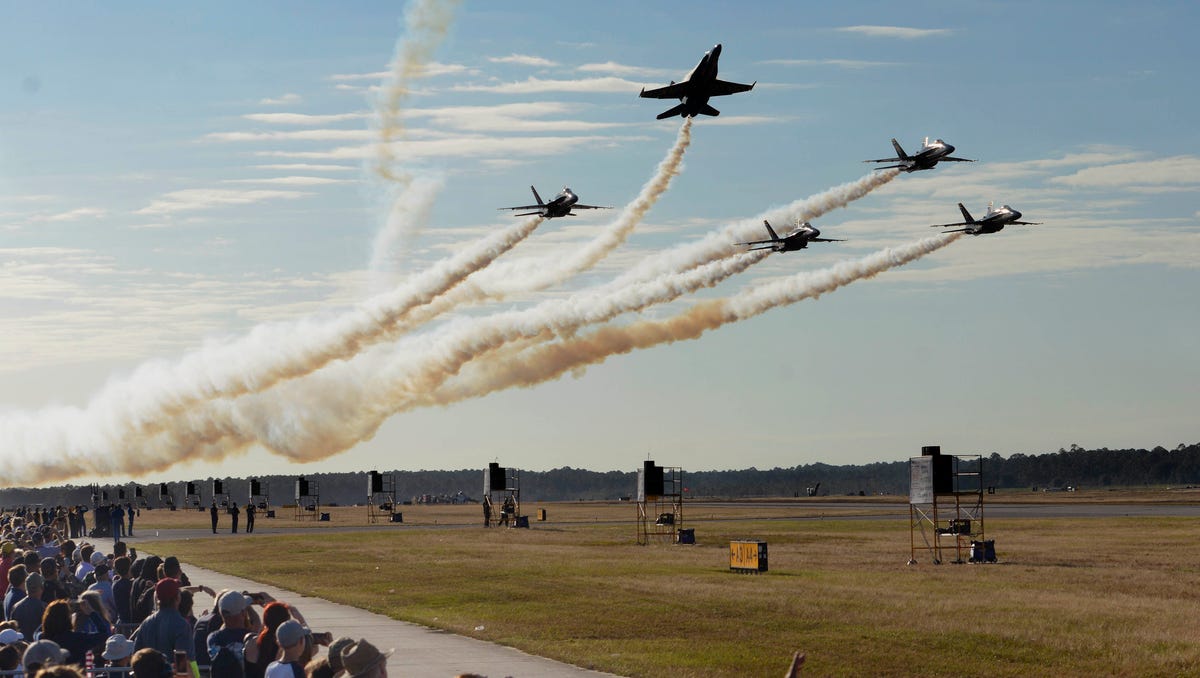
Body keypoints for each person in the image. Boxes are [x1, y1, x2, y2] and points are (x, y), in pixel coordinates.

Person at [131, 578, 192, 661]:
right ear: (177, 598)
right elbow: (182, 664)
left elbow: (136, 656)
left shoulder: (146, 623)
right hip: (170, 673)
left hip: (148, 673)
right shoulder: (181, 625)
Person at [38, 599, 110, 666]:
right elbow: (103, 634)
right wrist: (91, 612)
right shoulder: (77, 638)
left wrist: (49, 619)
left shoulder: (42, 638)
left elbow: (37, 631)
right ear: (67, 619)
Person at [10, 572, 46, 639]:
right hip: (38, 646)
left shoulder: (16, 607)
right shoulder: (43, 607)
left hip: (21, 647)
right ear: (41, 587)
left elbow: (12, 630)